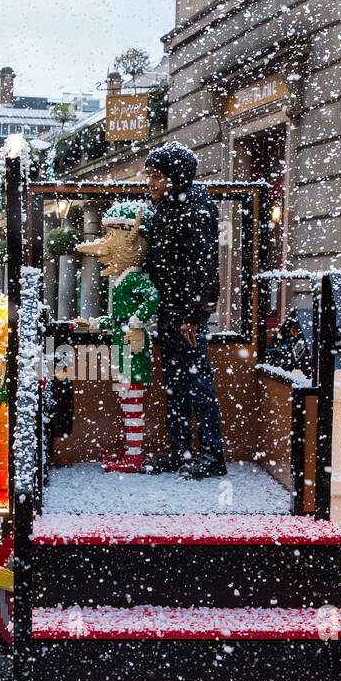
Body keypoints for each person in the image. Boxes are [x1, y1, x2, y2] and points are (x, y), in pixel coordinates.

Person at [141, 141, 227, 479]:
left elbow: (202, 268)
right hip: (170, 310)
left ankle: (211, 453)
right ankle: (181, 449)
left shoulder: (194, 207)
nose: (150, 182)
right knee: (176, 382)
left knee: (197, 381)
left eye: (155, 176)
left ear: (173, 177)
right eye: (149, 175)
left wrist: (193, 315)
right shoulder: (169, 208)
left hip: (186, 315)